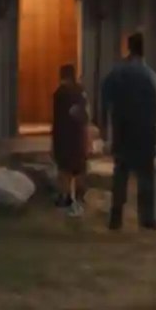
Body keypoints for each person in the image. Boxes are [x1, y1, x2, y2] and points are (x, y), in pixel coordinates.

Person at [100, 31, 156, 230]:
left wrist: (105, 132)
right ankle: (147, 219)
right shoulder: (150, 75)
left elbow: (105, 100)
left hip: (122, 130)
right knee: (146, 177)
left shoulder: (116, 72)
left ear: (128, 47)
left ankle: (116, 218)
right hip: (144, 132)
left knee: (120, 176)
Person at [51, 63, 89, 218]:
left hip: (63, 135)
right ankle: (80, 196)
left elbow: (57, 118)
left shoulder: (60, 93)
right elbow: (85, 115)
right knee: (79, 168)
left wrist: (53, 140)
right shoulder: (81, 92)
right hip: (79, 135)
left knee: (64, 169)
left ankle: (65, 197)